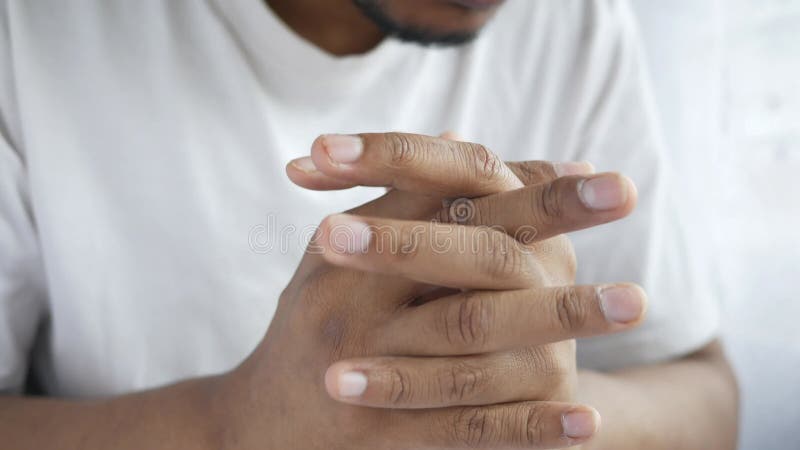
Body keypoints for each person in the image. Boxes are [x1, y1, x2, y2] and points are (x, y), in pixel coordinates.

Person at [0, 0, 738, 448]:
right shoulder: (34, 32)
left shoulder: (573, 24)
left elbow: (709, 398)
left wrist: (527, 412)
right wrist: (234, 429)